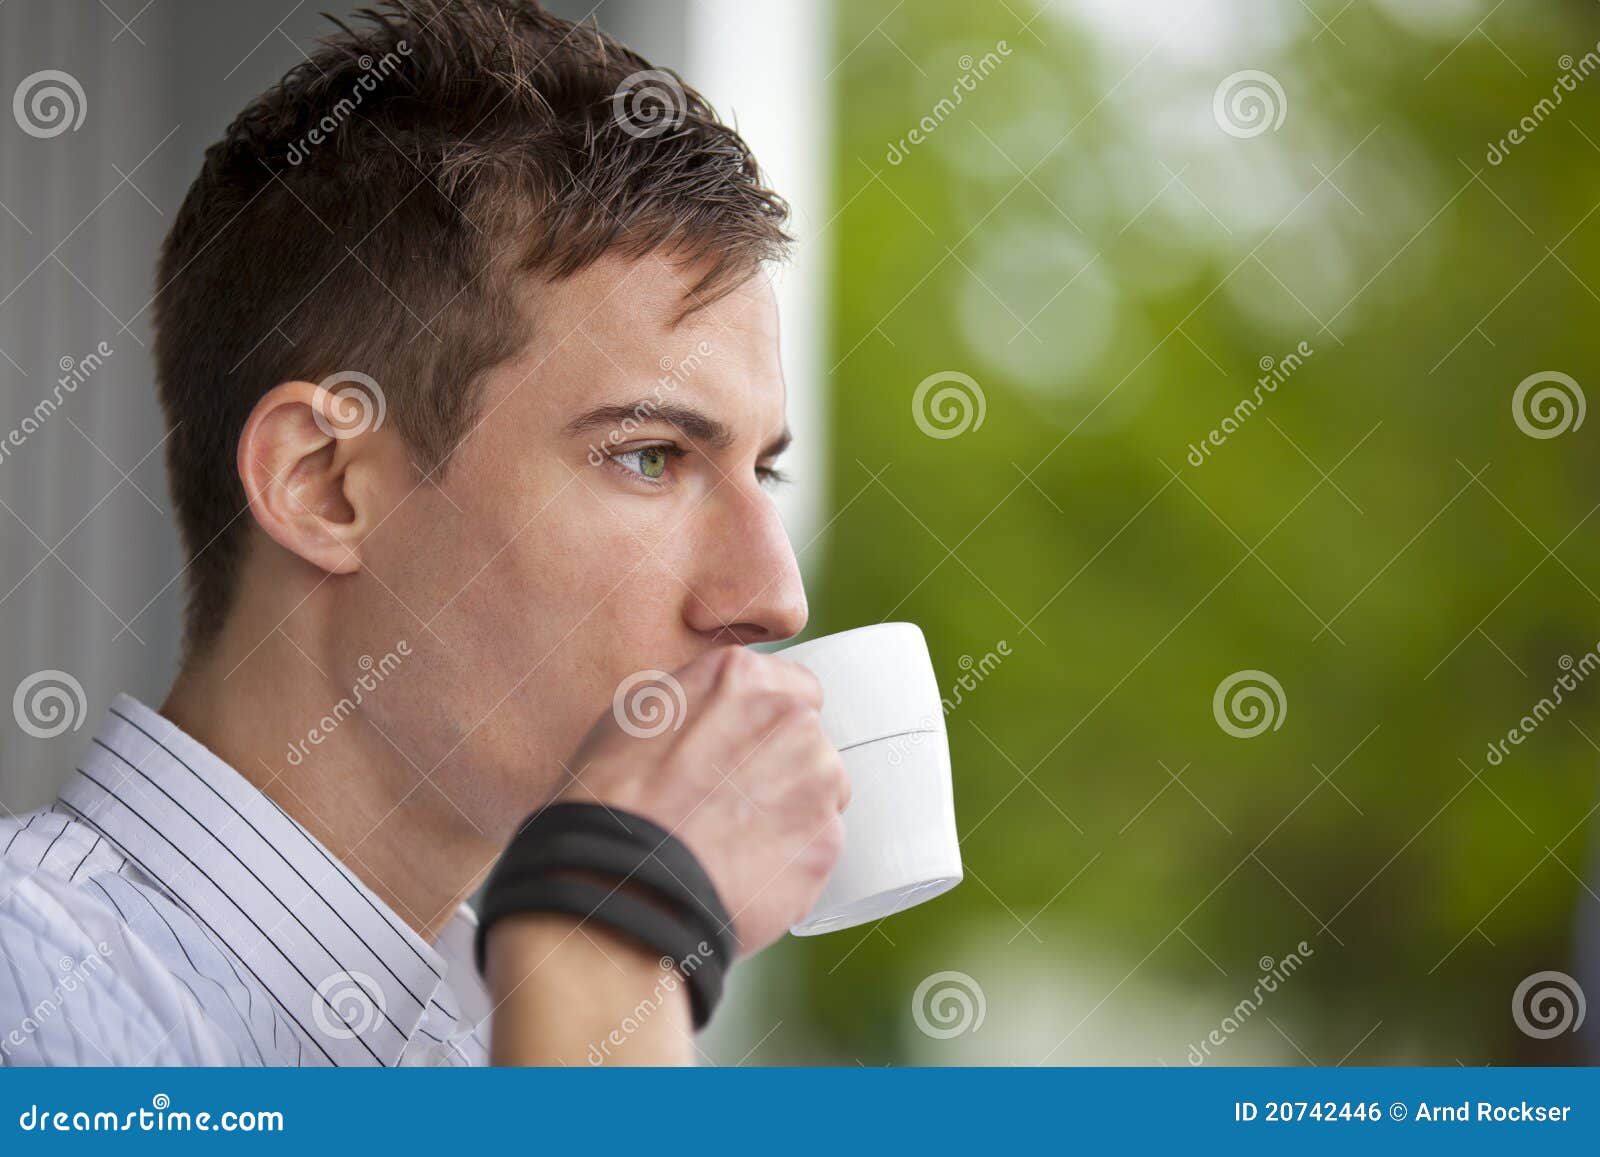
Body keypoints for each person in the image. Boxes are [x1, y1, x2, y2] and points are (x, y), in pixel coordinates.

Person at [0, 0, 847, 1067]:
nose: (776, 595)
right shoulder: (28, 983)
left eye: (761, 470)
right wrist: (606, 930)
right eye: (651, 455)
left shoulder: (511, 1043)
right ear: (326, 483)